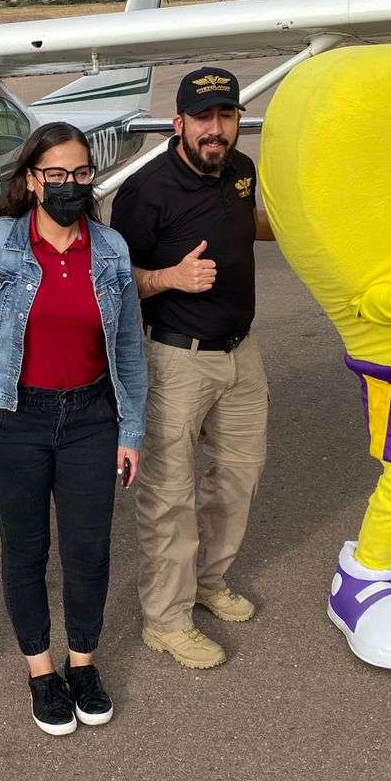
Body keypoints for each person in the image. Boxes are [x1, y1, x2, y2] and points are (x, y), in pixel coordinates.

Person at [0, 122, 147, 735]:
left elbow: (127, 347)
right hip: (11, 419)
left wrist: (130, 430)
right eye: (56, 174)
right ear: (32, 180)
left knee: (88, 550)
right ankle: (41, 672)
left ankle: (83, 665)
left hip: (90, 419)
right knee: (25, 550)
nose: (69, 185)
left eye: (81, 173)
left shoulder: (110, 250)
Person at [110, 66, 271, 670]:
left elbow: (248, 224)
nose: (215, 130)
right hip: (175, 358)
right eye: (202, 118)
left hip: (240, 351)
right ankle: (166, 621)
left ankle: (208, 582)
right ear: (178, 123)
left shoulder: (241, 172)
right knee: (170, 497)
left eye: (225, 117)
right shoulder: (146, 192)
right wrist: (172, 278)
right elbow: (112, 280)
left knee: (240, 475)